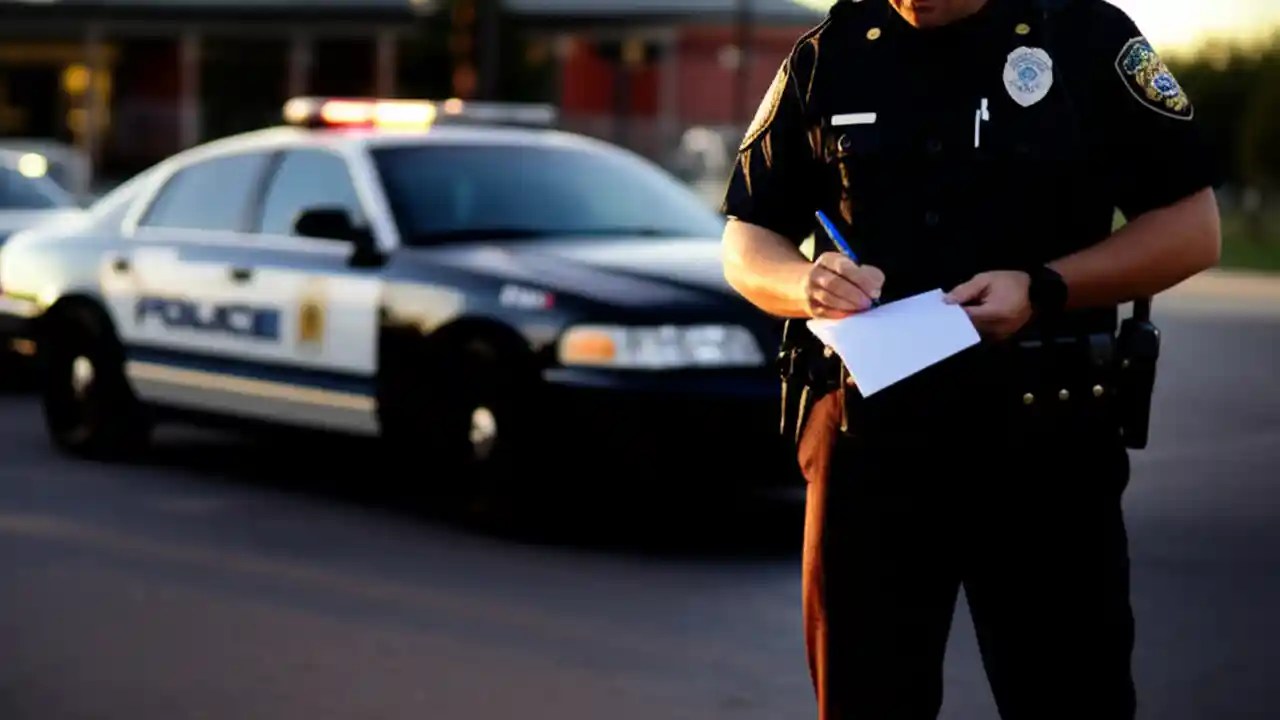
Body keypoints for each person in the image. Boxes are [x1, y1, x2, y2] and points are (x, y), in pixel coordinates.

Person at [719, 0, 1222, 718]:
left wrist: (1046, 288)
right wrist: (804, 282)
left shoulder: (1086, 37)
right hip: (868, 445)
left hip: (1045, 446)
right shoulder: (832, 53)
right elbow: (747, 236)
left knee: (1073, 697)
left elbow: (1193, 231)